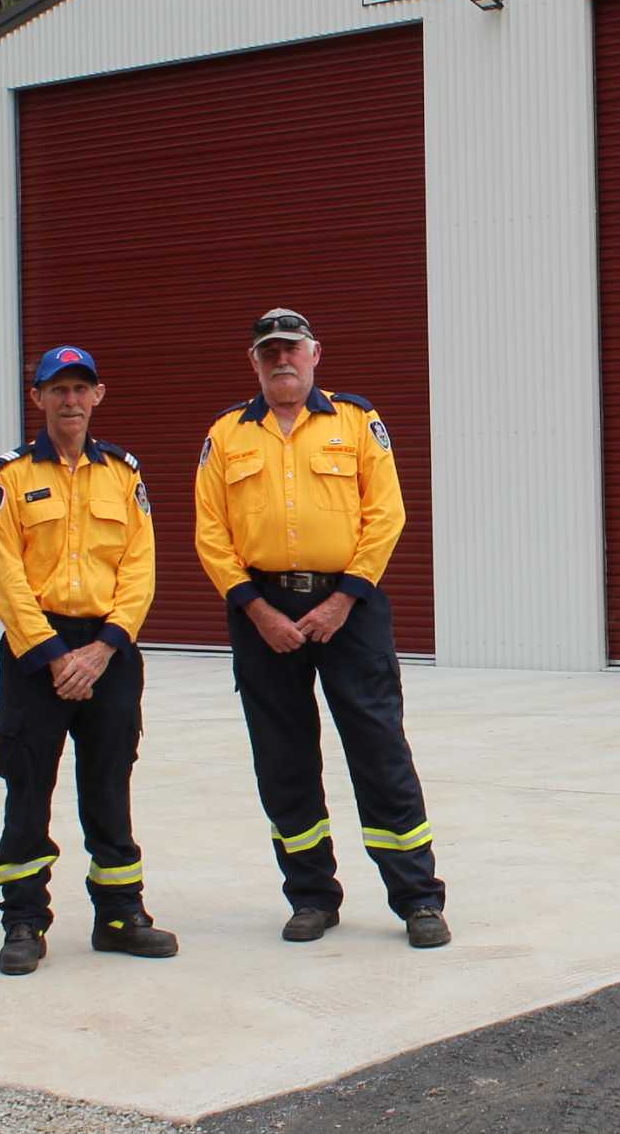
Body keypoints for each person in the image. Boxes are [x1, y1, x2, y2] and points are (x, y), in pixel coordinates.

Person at [192, 306, 450, 948]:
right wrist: (257, 610)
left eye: (292, 348)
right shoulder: (226, 434)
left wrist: (343, 601)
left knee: (379, 749)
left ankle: (418, 898)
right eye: (269, 351)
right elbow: (211, 532)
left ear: (315, 355)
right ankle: (310, 896)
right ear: (254, 362)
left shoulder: (357, 422)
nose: (281, 359)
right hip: (263, 614)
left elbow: (386, 514)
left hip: (350, 609)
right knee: (283, 758)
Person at [0, 342, 179, 975]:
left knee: (109, 783)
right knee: (27, 785)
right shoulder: (12, 476)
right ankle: (23, 921)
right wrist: (52, 655)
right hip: (35, 654)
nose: (70, 400)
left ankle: (120, 916)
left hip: (108, 650)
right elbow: (5, 574)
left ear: (98, 396)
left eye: (80, 388)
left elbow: (140, 567)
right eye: (57, 389)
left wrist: (104, 647)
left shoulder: (123, 474)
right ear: (37, 398)